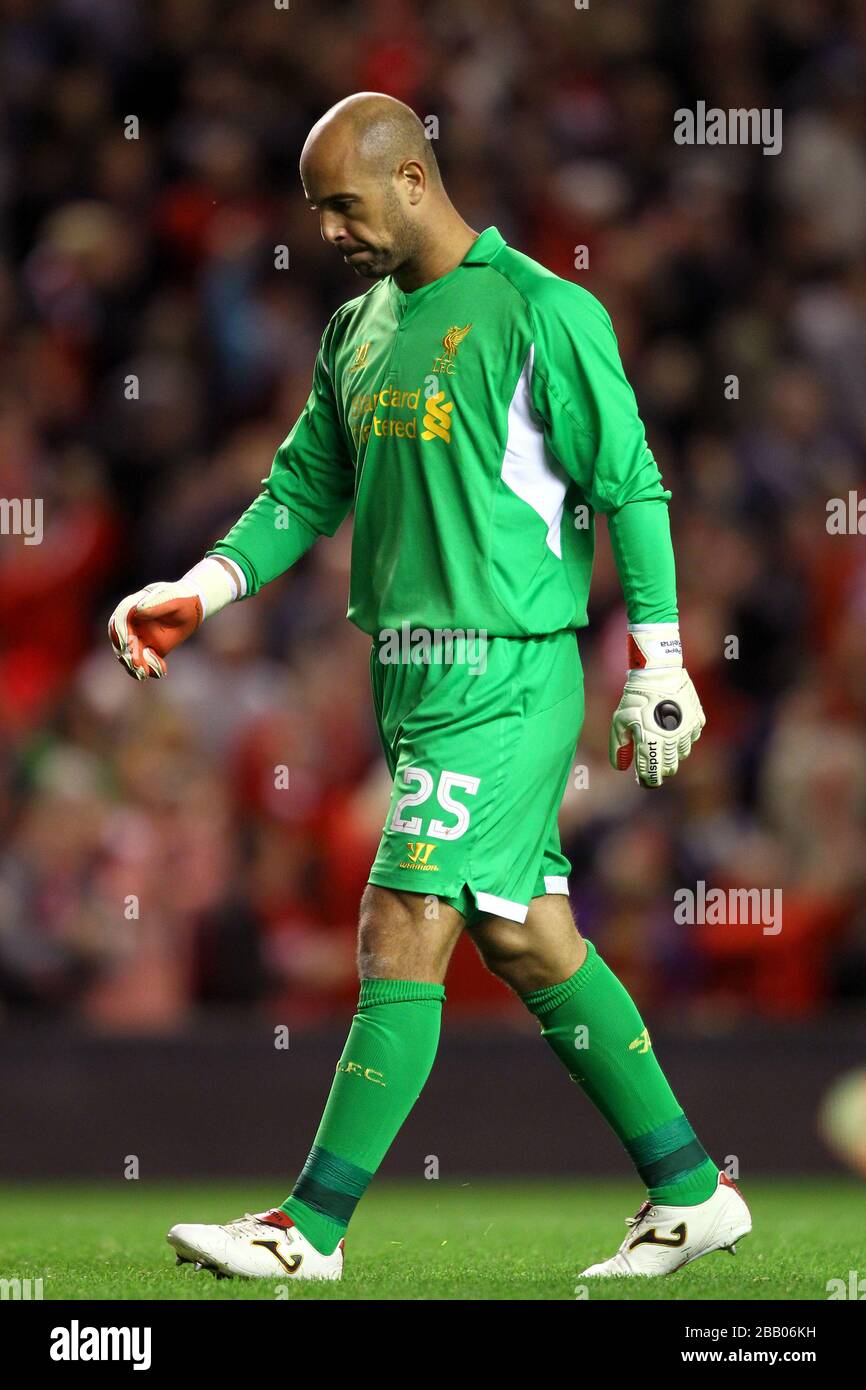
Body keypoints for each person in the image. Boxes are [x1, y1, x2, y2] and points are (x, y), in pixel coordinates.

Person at [108, 92, 750, 1281]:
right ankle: (686, 1186)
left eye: (344, 206)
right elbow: (303, 487)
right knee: (526, 936)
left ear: (411, 180)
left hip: (504, 674)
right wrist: (199, 589)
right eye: (315, 212)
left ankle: (307, 1230)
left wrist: (657, 660)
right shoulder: (355, 329)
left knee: (398, 922)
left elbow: (633, 486)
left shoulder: (541, 313)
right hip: (405, 683)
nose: (330, 232)